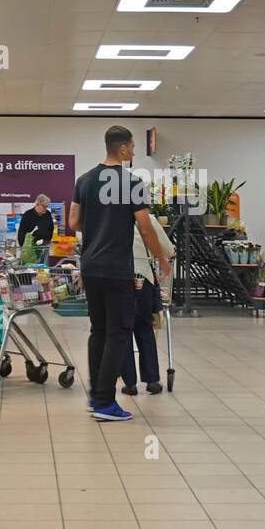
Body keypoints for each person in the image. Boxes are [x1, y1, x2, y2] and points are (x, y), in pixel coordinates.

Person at [70, 125, 171, 421]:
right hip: (117, 269)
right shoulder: (132, 182)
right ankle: (104, 403)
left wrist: (100, 226)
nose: (135, 152)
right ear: (124, 148)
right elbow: (145, 226)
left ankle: (95, 397)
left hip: (90, 267)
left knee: (98, 330)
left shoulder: (84, 180)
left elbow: (73, 221)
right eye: (133, 147)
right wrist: (162, 260)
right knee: (118, 333)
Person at [120, 219, 175, 395]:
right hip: (142, 279)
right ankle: (152, 381)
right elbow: (168, 249)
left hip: (118, 279)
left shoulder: (110, 216)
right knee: (144, 329)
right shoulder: (146, 219)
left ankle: (129, 384)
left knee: (123, 331)